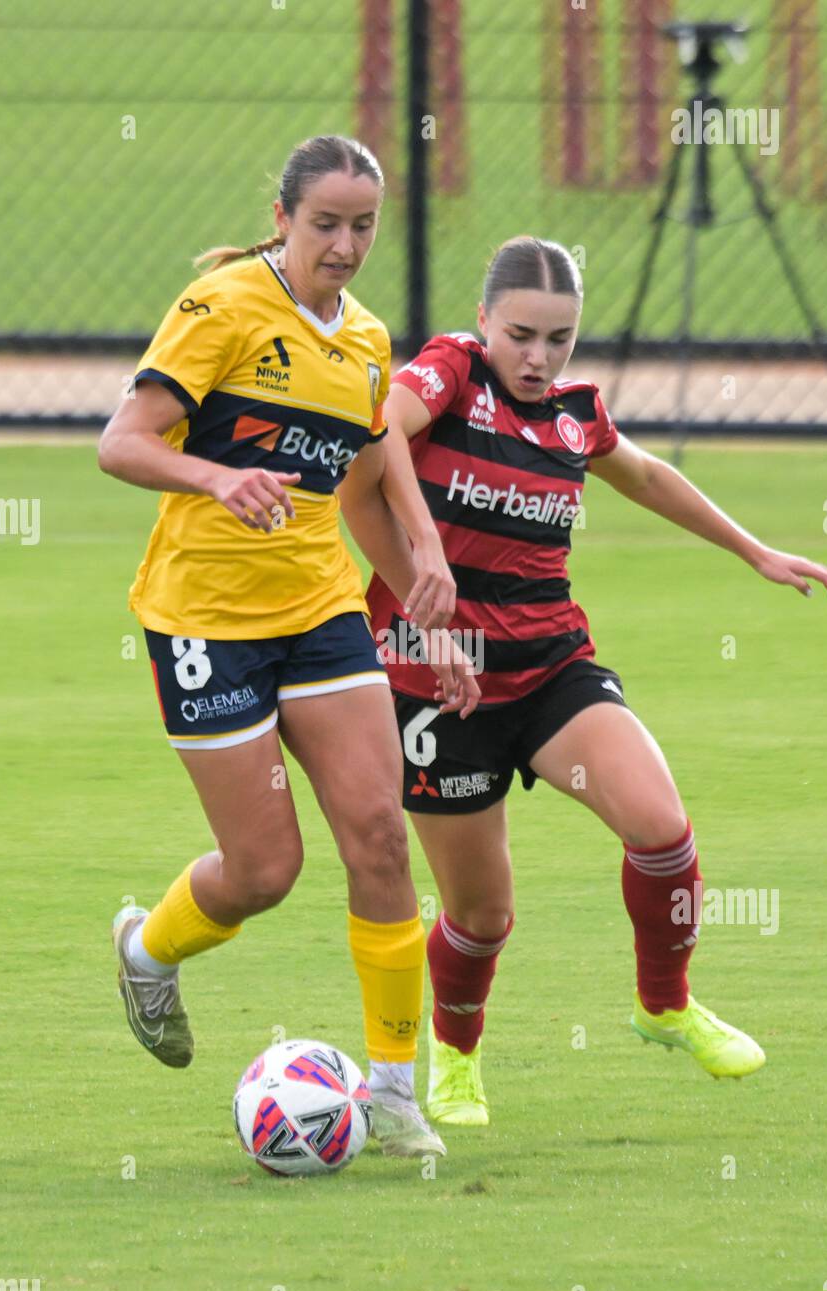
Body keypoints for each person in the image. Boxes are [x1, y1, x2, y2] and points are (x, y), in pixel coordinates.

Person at [364, 236, 827, 1126]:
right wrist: (421, 551)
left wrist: (755, 551)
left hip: (551, 669)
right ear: (482, 321)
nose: (539, 357)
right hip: (437, 685)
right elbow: (381, 427)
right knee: (481, 915)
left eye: (560, 338)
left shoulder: (573, 416)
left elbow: (648, 476)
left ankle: (663, 1005)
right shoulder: (448, 373)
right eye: (520, 334)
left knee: (662, 829)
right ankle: (456, 1058)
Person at [98, 134, 479, 1159]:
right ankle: (147, 947)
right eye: (327, 224)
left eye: (363, 225)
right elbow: (122, 442)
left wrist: (423, 582)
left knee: (380, 835)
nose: (347, 244)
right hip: (205, 619)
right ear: (283, 218)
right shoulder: (223, 308)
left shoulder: (364, 337)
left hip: (318, 609)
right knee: (265, 870)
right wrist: (218, 478)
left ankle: (396, 1090)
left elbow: (375, 453)